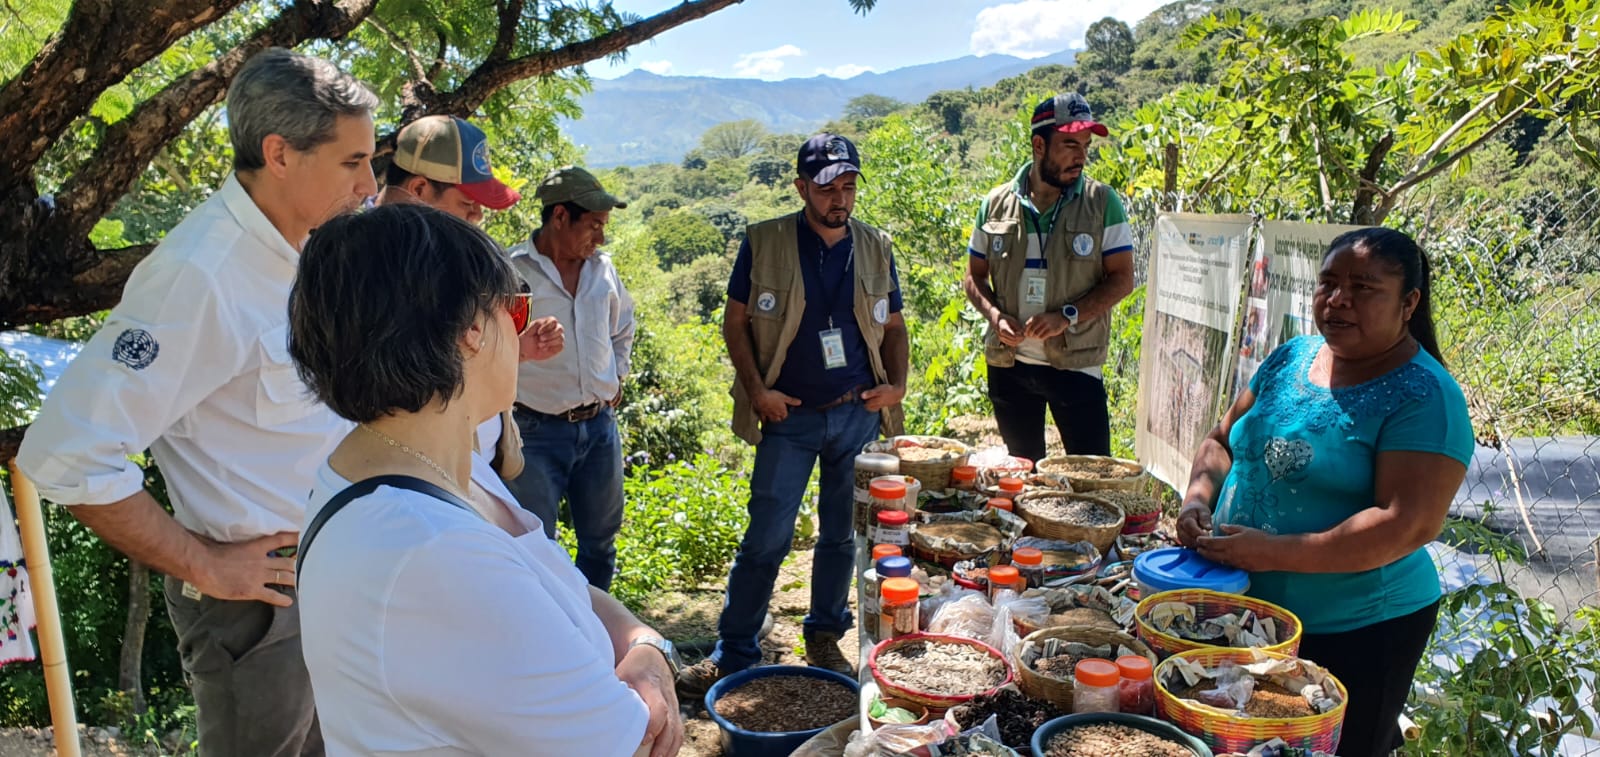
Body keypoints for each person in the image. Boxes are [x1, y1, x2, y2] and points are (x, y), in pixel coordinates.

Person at [15, 48, 379, 755]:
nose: (369, 184)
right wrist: (204, 564)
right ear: (279, 153)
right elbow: (66, 454)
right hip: (259, 610)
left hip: (331, 576)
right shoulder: (200, 275)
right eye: (352, 161)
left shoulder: (304, 251)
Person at [289, 203, 681, 756]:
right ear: (472, 330)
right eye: (516, 311)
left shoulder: (426, 468)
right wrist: (652, 662)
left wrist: (645, 646)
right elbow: (629, 742)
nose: (518, 330)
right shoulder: (429, 549)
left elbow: (558, 586)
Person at [1176, 228, 1473, 757]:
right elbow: (1221, 441)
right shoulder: (1291, 358)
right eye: (1329, 283)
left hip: (1357, 630)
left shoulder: (1425, 398)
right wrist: (1198, 500)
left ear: (1409, 304)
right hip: (1245, 610)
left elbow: (1406, 524)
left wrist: (1271, 552)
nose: (1338, 299)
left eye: (1363, 287)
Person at [676, 133, 908, 696]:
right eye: (827, 186)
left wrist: (896, 386)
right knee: (767, 537)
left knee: (839, 538)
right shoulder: (765, 241)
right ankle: (733, 651)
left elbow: (895, 328)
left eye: (848, 186)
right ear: (802, 186)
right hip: (789, 416)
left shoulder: (875, 245)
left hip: (854, 414)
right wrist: (758, 392)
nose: (839, 198)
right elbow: (734, 323)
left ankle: (825, 636)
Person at [376, 113, 564, 478]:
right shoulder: (364, 267)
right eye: (468, 204)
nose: (478, 216)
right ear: (418, 189)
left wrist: (517, 349)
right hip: (426, 480)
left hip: (482, 468)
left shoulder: (446, 246)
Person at [963, 92, 1136, 462]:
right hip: (1009, 365)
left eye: (1086, 145)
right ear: (1039, 145)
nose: (1081, 155)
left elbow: (1122, 279)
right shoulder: (995, 204)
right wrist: (995, 317)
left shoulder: (1102, 203)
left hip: (1076, 364)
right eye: (1070, 143)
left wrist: (1067, 316)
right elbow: (973, 278)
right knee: (1021, 474)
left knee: (1091, 475)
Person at [502, 166, 635, 591]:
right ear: (560, 217)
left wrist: (616, 379)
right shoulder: (511, 271)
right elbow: (488, 346)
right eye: (593, 225)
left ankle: (594, 633)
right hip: (533, 432)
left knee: (600, 541)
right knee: (535, 545)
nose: (600, 237)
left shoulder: (603, 270)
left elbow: (623, 328)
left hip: (598, 429)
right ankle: (548, 637)